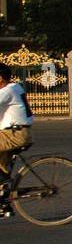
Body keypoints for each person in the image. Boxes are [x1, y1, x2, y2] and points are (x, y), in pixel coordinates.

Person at [0, 64, 35, 208]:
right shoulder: (15, 88)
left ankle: (4, 187)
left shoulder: (8, 90)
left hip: (15, 135)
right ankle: (3, 195)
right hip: (15, 133)